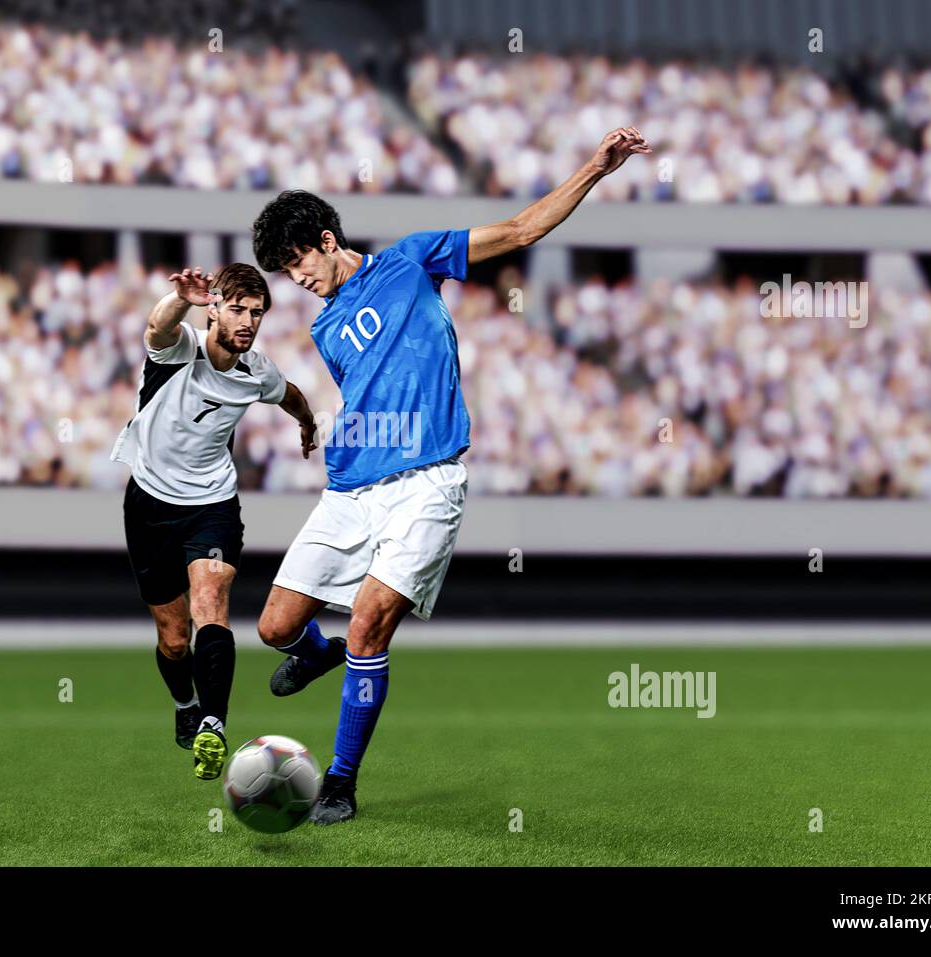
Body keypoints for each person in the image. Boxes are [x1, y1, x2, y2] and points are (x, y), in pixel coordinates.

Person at [250, 127, 651, 823]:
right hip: (349, 488)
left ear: (324, 236)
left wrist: (595, 166)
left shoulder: (413, 258)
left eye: (295, 262)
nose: (298, 280)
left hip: (427, 482)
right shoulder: (323, 327)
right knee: (274, 626)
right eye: (284, 274)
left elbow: (523, 230)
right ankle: (317, 656)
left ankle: (340, 780)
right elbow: (371, 394)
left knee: (369, 626)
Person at [111, 263, 317, 780]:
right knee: (174, 638)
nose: (249, 321)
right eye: (239, 309)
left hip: (213, 505)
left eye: (258, 312)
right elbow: (157, 328)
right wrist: (180, 297)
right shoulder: (182, 349)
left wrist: (308, 423)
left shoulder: (257, 369)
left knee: (211, 604)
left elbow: (287, 393)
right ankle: (185, 703)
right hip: (151, 505)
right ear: (216, 308)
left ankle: (213, 725)